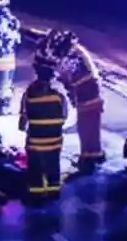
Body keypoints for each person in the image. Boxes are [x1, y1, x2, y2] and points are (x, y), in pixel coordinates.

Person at [44, 30, 105, 173]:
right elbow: (67, 78)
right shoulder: (74, 52)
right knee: (88, 126)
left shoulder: (73, 55)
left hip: (87, 90)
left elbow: (67, 75)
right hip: (84, 90)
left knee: (87, 127)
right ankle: (93, 154)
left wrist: (72, 94)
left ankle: (90, 157)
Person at [18, 54, 68, 202]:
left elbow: (22, 124)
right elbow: (64, 117)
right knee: (53, 167)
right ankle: (54, 192)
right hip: (55, 142)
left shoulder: (29, 95)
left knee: (35, 170)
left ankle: (36, 194)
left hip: (35, 143)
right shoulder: (59, 97)